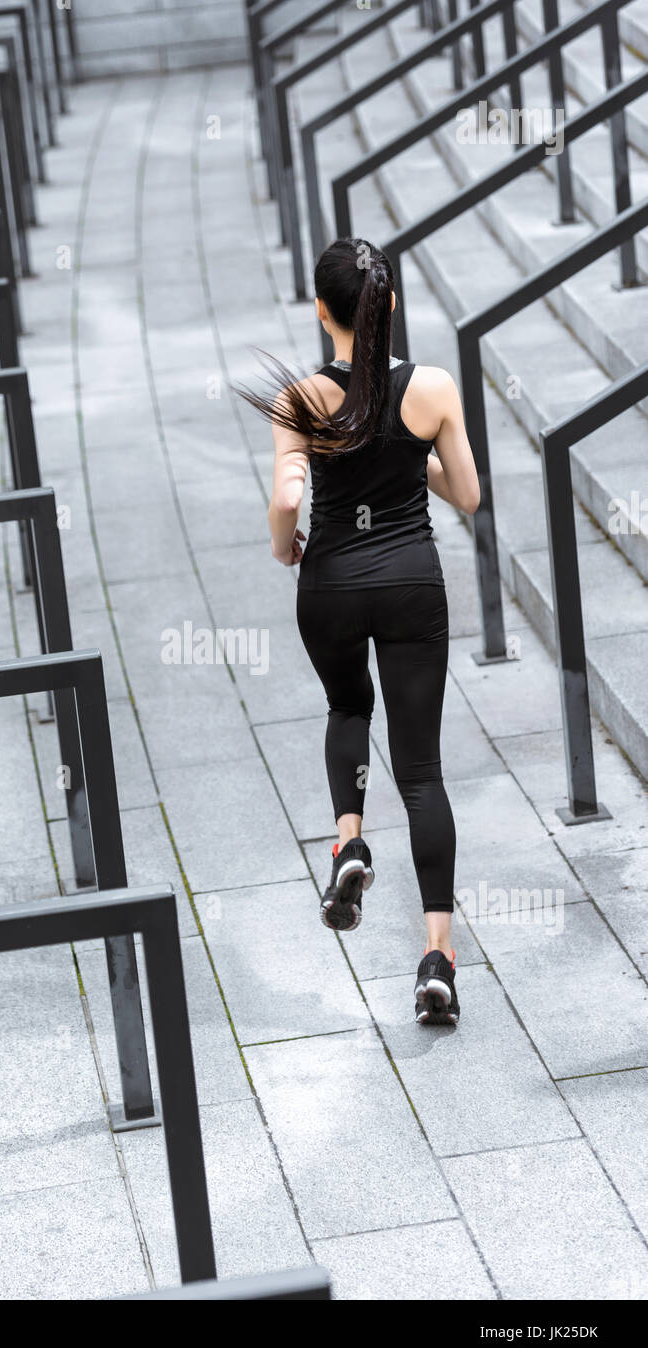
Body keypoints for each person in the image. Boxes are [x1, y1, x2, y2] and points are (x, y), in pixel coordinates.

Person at [237, 238, 480, 1024]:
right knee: (421, 773)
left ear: (321, 310)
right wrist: (413, 456)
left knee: (348, 711)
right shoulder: (433, 386)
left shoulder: (302, 400)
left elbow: (284, 501)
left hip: (333, 583)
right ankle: (435, 961)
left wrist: (285, 547)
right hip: (411, 582)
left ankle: (348, 846)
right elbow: (468, 497)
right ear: (392, 307)